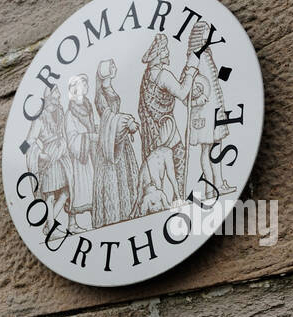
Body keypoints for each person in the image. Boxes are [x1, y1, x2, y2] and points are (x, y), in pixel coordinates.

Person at [137, 34, 198, 196]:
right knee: (179, 162)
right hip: (167, 131)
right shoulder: (163, 75)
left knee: (159, 171)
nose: (167, 52)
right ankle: (179, 197)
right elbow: (183, 93)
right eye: (164, 49)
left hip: (152, 132)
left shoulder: (147, 75)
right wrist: (191, 70)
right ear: (157, 54)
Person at [91, 59, 141, 226]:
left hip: (120, 137)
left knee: (125, 175)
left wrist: (125, 123)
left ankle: (128, 212)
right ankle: (113, 217)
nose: (115, 68)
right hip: (108, 142)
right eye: (112, 66)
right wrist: (127, 122)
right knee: (111, 176)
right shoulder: (100, 95)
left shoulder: (110, 89)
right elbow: (107, 117)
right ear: (106, 70)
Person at [186, 21, 231, 197]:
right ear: (198, 35)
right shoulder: (194, 57)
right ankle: (210, 188)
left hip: (214, 108)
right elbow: (187, 86)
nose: (208, 35)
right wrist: (198, 99)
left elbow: (210, 78)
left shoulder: (206, 54)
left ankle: (218, 184)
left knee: (216, 146)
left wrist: (222, 74)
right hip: (203, 111)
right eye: (205, 32)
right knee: (207, 148)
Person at [26, 86, 71, 240]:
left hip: (61, 155)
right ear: (50, 96)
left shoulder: (60, 112)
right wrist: (39, 153)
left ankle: (48, 226)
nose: (59, 95)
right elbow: (27, 143)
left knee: (66, 191)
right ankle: (51, 228)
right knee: (50, 195)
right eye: (56, 92)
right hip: (49, 157)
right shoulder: (40, 118)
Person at [64, 74, 96, 229]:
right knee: (78, 188)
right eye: (83, 83)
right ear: (75, 89)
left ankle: (96, 219)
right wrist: (89, 137)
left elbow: (90, 126)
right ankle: (72, 223)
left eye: (86, 82)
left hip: (90, 154)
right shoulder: (70, 114)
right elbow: (71, 138)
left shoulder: (87, 107)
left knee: (93, 186)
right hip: (79, 158)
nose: (86, 85)